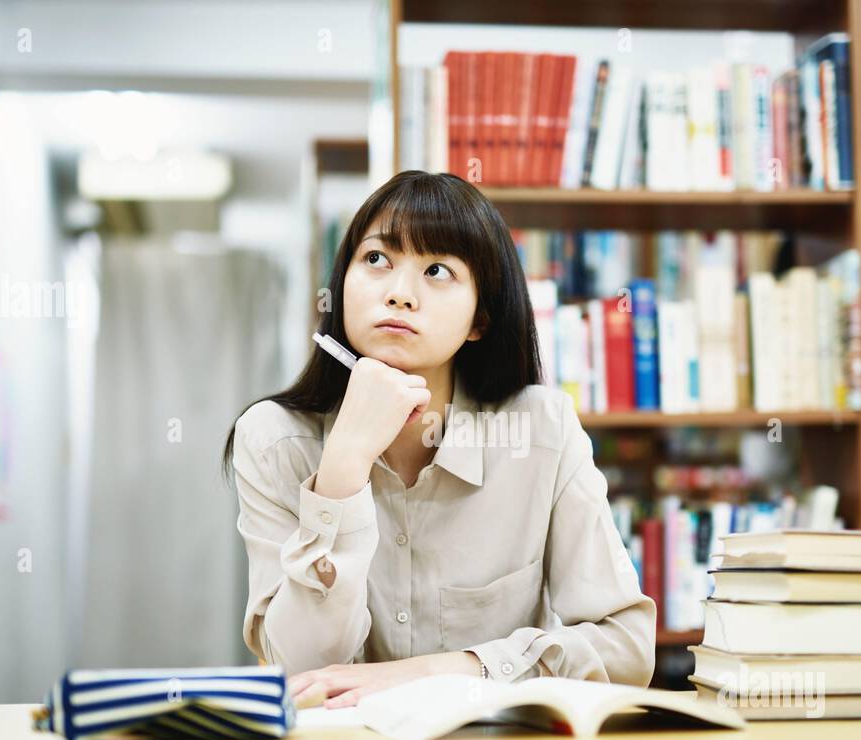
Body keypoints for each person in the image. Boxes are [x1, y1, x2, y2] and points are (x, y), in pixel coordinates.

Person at [222, 170, 656, 708]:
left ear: (480, 320)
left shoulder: (541, 430)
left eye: (437, 270)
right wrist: (343, 468)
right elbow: (304, 668)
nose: (400, 294)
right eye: (377, 260)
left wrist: (445, 672)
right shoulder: (271, 439)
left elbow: (626, 649)